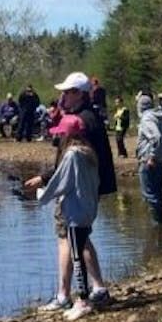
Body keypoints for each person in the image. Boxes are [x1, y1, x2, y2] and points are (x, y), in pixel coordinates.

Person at [40, 72, 113, 309]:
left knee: (66, 238)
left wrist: (44, 181)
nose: (62, 96)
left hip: (77, 191)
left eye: (67, 92)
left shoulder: (84, 121)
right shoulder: (87, 117)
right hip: (88, 189)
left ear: (79, 94)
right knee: (80, 238)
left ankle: (63, 295)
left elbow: (71, 164)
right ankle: (98, 287)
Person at [23, 114, 100, 322]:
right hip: (87, 210)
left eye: (61, 134)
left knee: (77, 257)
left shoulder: (72, 155)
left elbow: (61, 182)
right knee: (79, 253)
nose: (58, 139)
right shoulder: (89, 153)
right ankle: (83, 298)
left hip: (75, 213)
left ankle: (83, 302)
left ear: (68, 135)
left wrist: (41, 195)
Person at [135, 92, 162, 224]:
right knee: (157, 195)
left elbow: (156, 137)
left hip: (149, 162)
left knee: (150, 196)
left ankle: (156, 228)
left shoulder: (146, 119)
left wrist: (152, 157)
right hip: (161, 161)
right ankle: (159, 232)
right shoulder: (161, 117)